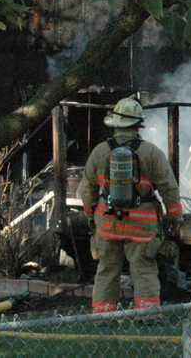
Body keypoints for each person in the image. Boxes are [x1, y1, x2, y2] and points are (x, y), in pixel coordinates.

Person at [79, 96, 184, 313]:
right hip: (142, 225)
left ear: (115, 124)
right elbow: (169, 188)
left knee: (107, 269)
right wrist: (175, 217)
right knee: (144, 269)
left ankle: (102, 315)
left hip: (108, 222)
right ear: (138, 125)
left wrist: (91, 214)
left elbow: (87, 188)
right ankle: (147, 315)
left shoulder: (100, 151)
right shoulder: (151, 153)